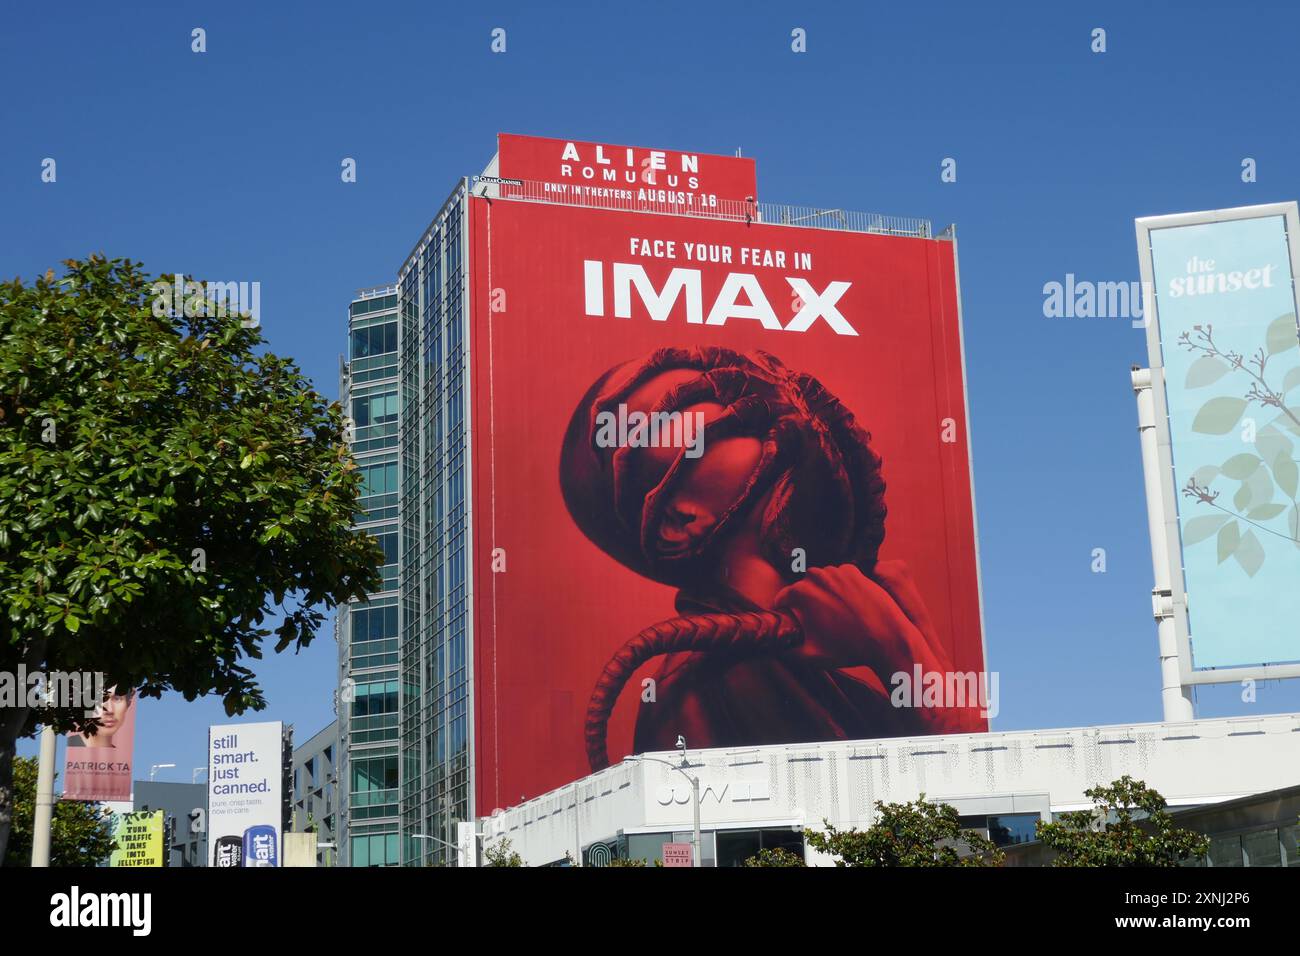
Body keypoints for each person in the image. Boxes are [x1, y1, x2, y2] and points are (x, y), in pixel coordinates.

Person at [561, 346, 982, 770]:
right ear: (676, 519)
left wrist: (916, 635)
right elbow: (965, 788)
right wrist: (897, 648)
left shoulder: (824, 675)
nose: (755, 397)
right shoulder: (699, 686)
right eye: (689, 407)